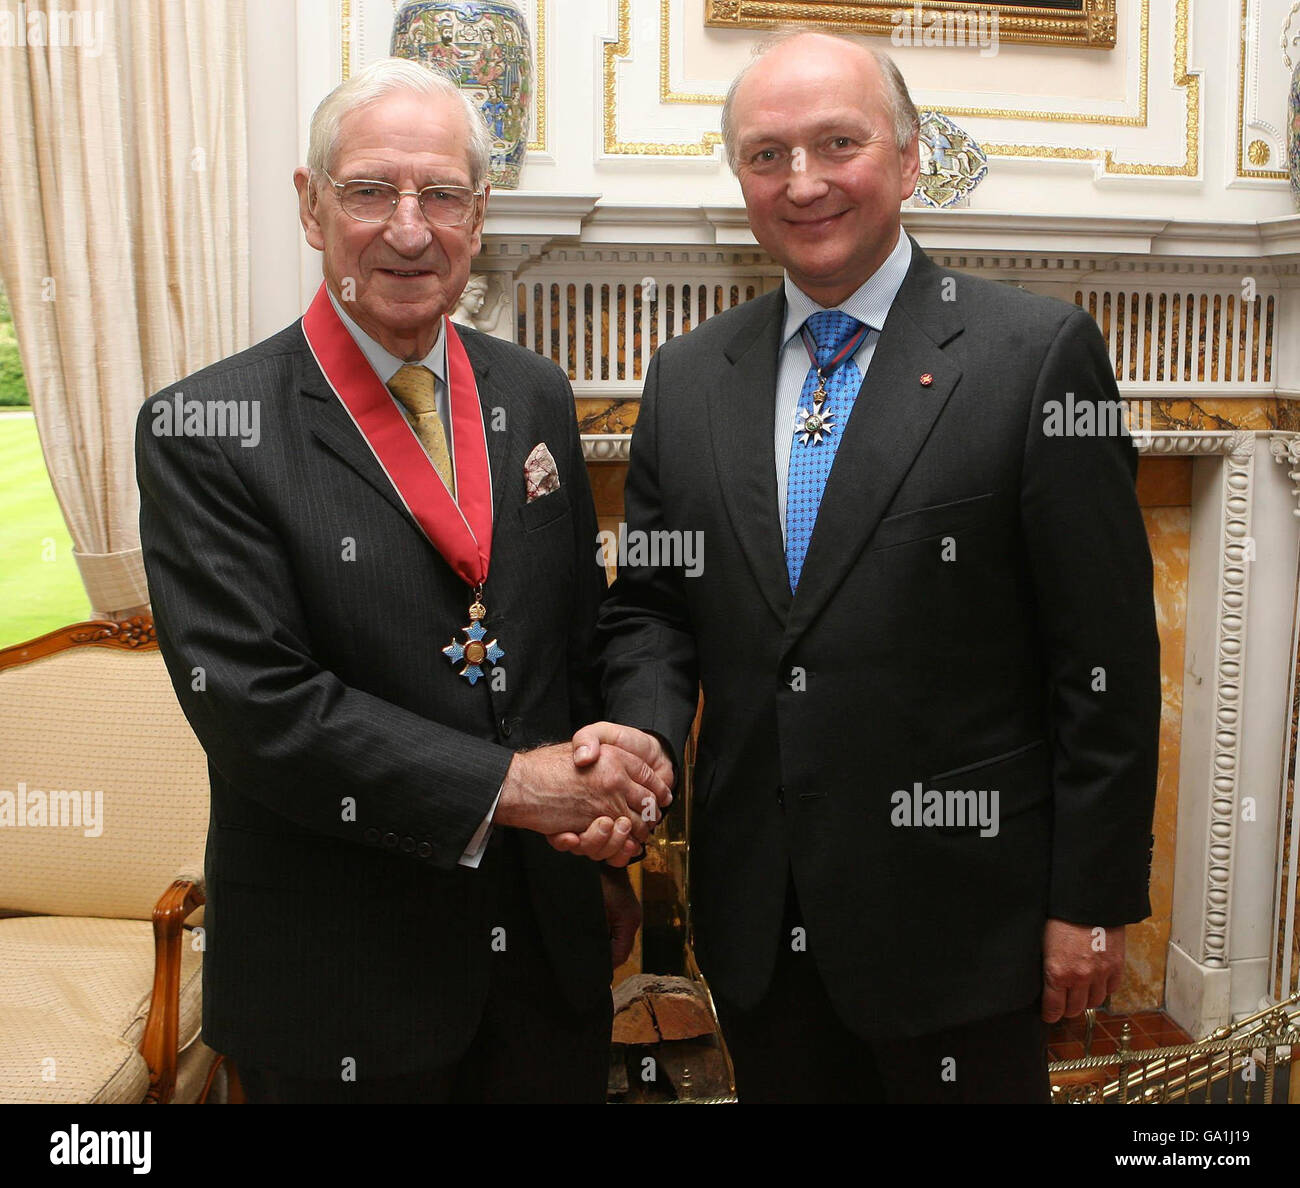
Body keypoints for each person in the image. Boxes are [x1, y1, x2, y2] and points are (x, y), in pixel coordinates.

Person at [571, 32, 1160, 1103]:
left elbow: (1104, 656)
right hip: (760, 919)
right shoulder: (689, 378)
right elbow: (653, 608)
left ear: (907, 154)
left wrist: (1088, 899)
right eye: (765, 154)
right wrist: (645, 742)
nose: (801, 183)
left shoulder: (1034, 358)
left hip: (963, 928)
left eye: (836, 143)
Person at [135, 58, 670, 1104]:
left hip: (545, 964)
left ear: (480, 217)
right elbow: (260, 709)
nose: (410, 229)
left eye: (442, 195)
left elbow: (574, 634)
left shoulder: (532, 391)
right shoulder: (206, 430)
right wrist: (520, 789)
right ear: (311, 207)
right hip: (337, 983)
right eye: (372, 190)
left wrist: (615, 795)